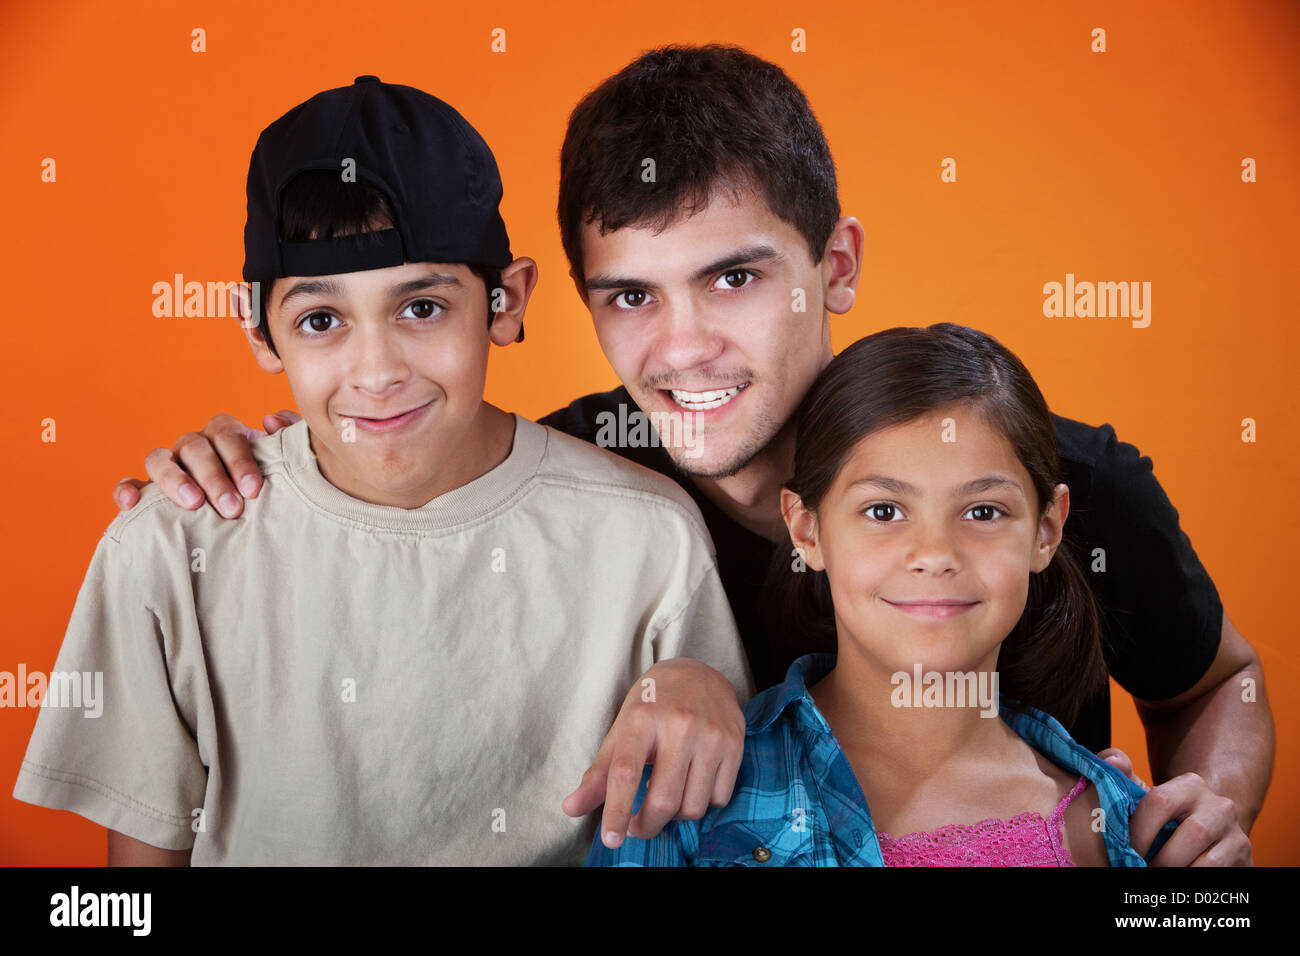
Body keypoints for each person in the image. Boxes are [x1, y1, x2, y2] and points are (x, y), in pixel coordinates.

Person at [113, 46, 1267, 865]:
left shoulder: (1025, 476)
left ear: (839, 263)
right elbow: (377, 466)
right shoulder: (581, 481)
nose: (683, 347)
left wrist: (1196, 823)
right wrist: (241, 466)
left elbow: (1221, 681)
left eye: (734, 276)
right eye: (628, 295)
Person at [13, 76, 752, 865]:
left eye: (422, 308)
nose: (375, 371)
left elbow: (714, 831)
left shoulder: (649, 538)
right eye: (321, 320)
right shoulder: (166, 549)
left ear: (505, 301)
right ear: (259, 331)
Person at [589, 324, 1178, 866]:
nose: (935, 554)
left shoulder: (1129, 828)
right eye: (884, 510)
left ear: (1046, 530)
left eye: (982, 510)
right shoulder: (684, 798)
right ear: (806, 530)